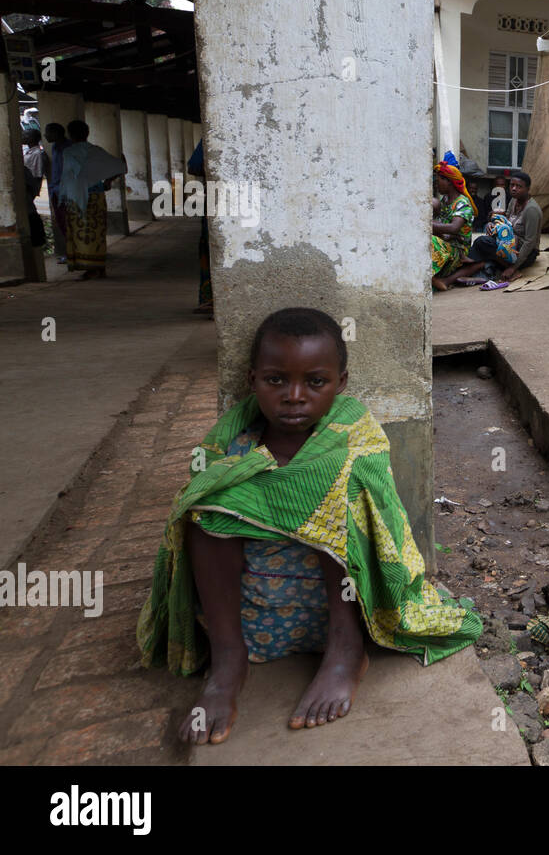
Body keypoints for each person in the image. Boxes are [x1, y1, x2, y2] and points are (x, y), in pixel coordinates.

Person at [137, 307, 482, 745]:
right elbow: (193, 499)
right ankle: (227, 662)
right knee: (205, 510)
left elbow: (382, 522)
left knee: (335, 489)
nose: (294, 395)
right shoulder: (236, 441)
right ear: (252, 380)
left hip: (340, 608)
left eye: (315, 382)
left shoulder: (354, 438)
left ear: (340, 384)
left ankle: (345, 653)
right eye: (275, 380)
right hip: (252, 614)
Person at [60, 120, 127, 280]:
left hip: (76, 198)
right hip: (96, 196)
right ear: (87, 133)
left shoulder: (69, 152)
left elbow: (68, 177)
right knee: (97, 232)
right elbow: (120, 165)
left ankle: (89, 268)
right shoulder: (95, 150)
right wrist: (108, 181)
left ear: (70, 134)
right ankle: (99, 267)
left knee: (80, 233)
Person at [431, 155, 475, 291]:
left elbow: (454, 228)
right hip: (446, 245)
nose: (436, 185)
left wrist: (423, 225)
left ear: (449, 182)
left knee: (431, 241)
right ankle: (432, 279)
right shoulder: (444, 201)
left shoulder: (462, 203)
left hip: (457, 252)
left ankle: (431, 278)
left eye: (438, 181)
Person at [500, 171, 542, 282]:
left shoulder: (531, 210)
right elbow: (506, 223)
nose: (514, 188)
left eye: (519, 186)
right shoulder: (514, 200)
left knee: (485, 245)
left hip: (526, 254)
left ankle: (511, 269)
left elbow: (530, 242)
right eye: (512, 185)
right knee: (486, 240)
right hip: (511, 243)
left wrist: (513, 267)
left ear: (528, 189)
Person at [188, 140, 213, 315]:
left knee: (210, 247)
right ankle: (213, 299)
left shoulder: (210, 138)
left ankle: (212, 300)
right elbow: (194, 166)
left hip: (217, 198)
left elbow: (194, 166)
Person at [43, 123, 69, 263]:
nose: (45, 135)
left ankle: (73, 253)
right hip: (56, 190)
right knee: (62, 223)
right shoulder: (55, 147)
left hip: (66, 191)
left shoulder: (68, 148)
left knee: (68, 223)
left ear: (56, 133)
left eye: (47, 132)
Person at [22, 129, 49, 249]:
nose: (22, 136)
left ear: (32, 138)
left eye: (26, 135)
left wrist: (33, 193)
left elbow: (37, 176)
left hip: (29, 189)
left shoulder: (37, 153)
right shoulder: (29, 152)